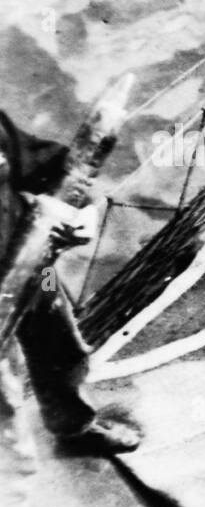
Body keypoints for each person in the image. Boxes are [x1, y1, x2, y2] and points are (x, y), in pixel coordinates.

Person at [0, 109, 141, 477]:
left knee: (60, 346)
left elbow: (50, 166)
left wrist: (81, 211)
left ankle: (72, 427)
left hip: (35, 273)